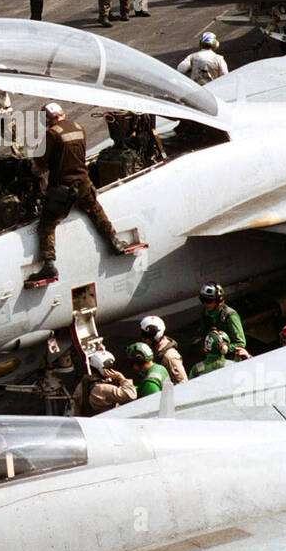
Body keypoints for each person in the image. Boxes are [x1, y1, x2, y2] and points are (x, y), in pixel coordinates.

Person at [25, 102, 132, 285]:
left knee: (47, 225)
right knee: (96, 212)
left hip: (62, 189)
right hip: (83, 183)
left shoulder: (52, 134)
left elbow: (40, 162)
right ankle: (114, 241)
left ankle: (49, 263)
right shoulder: (79, 127)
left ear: (48, 118)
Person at [71, 350, 137, 414]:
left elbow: (76, 406)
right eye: (109, 368)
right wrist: (121, 378)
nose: (112, 370)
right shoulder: (102, 388)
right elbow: (131, 394)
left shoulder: (83, 384)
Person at [198, 283, 249, 359]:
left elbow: (240, 343)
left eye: (208, 301)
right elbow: (203, 334)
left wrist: (221, 348)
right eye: (202, 300)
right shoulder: (206, 314)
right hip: (212, 358)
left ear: (219, 301)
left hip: (230, 358)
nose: (205, 304)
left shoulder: (230, 316)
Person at [139, 315, 187, 384]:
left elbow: (182, 383)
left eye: (146, 336)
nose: (143, 339)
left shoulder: (169, 357)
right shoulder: (157, 351)